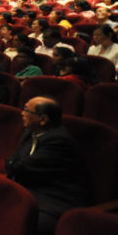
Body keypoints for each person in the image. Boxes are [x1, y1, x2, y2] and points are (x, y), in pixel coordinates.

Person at [6, 97, 89, 235]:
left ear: (43, 119)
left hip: (55, 198)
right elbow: (15, 163)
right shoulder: (30, 131)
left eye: (27, 110)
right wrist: (12, 166)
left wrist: (12, 166)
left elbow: (19, 167)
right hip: (32, 187)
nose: (22, 113)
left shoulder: (59, 140)